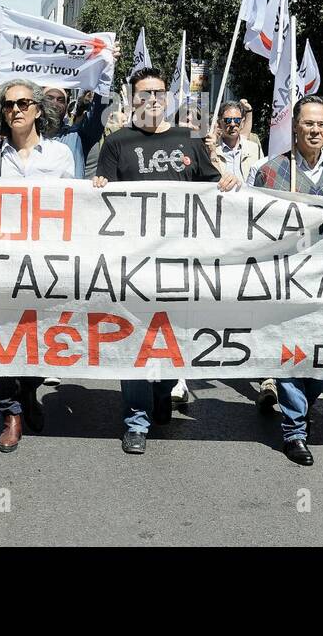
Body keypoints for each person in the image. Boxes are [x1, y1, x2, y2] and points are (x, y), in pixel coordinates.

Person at [93, 66, 240, 455]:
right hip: (133, 265)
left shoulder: (188, 139)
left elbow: (212, 189)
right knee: (136, 340)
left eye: (159, 92)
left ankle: (162, 391)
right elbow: (100, 199)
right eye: (144, 94)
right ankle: (135, 421)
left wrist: (225, 180)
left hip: (180, 263)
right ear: (132, 98)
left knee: (170, 339)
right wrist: (97, 190)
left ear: (169, 97)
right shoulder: (117, 143)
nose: (153, 99)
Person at [251, 95, 323, 466]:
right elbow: (251, 222)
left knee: (320, 359)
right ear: (295, 126)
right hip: (285, 280)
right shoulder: (270, 172)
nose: (315, 130)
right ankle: (295, 432)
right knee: (290, 355)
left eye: (321, 124)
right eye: (308, 124)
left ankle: (302, 404)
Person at [0, 81, 76, 451]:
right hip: (3, 262)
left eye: (23, 103)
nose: (15, 109)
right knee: (2, 337)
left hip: (46, 263)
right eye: (8, 104)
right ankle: (11, 413)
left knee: (35, 334)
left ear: (37, 110)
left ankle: (29, 391)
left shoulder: (61, 155)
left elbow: (75, 207)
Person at [43, 86, 106, 179]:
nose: (54, 103)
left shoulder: (78, 136)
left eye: (60, 100)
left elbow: (99, 108)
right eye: (49, 98)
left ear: (66, 105)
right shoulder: (26, 136)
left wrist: (105, 76)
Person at [207, 100, 262, 184]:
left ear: (242, 122)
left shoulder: (254, 149)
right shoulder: (211, 149)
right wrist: (212, 153)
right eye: (227, 120)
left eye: (236, 120)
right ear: (219, 123)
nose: (232, 124)